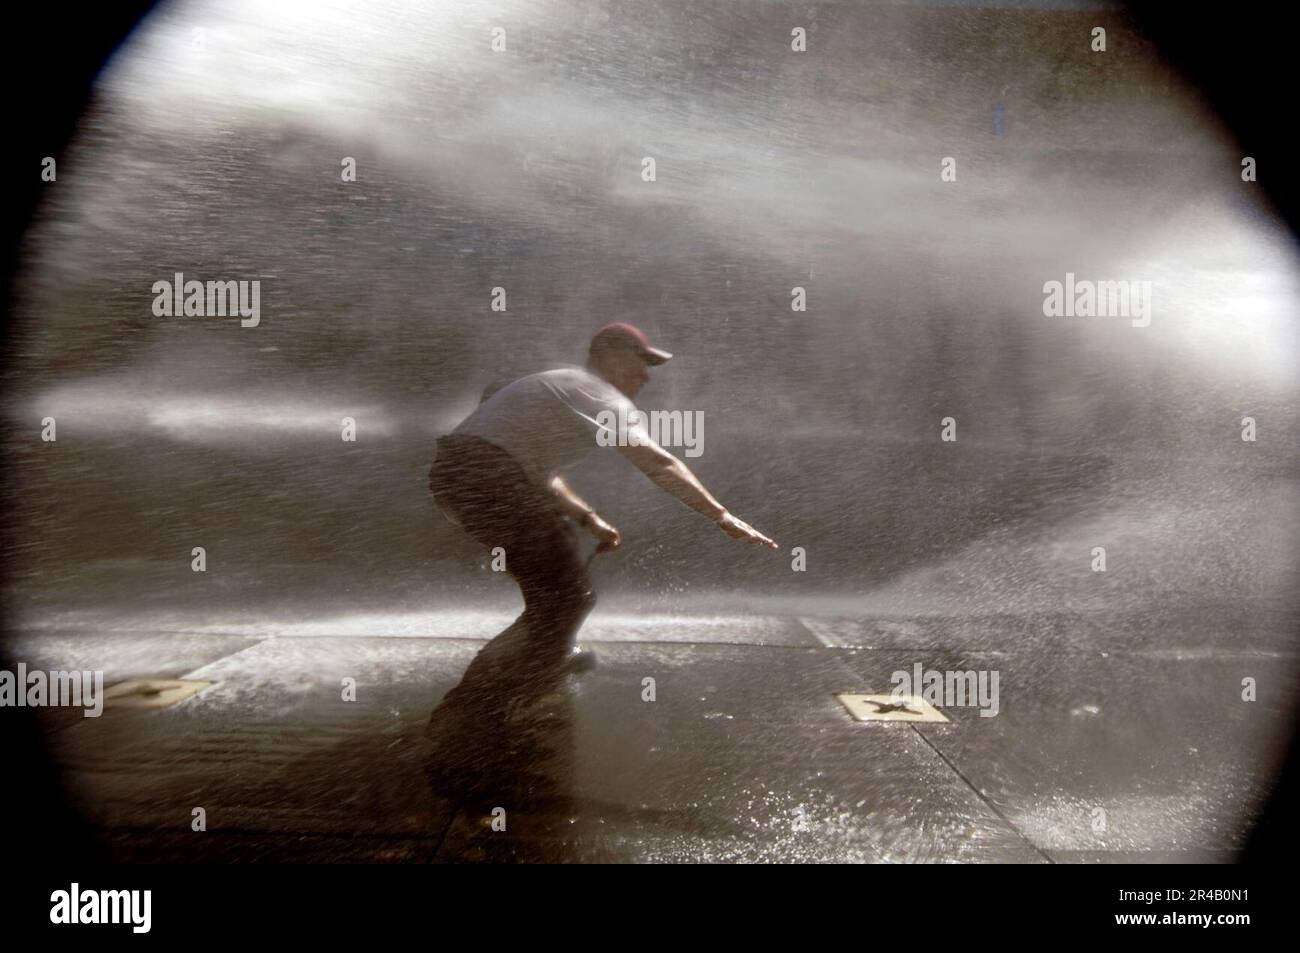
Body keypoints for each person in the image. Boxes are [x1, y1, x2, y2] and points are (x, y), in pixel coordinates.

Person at [428, 322, 776, 691]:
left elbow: (537, 475)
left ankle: (522, 674)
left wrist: (589, 519)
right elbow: (658, 463)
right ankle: (484, 705)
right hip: (488, 476)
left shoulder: (563, 386)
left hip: (456, 474)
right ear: (609, 356)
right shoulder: (597, 391)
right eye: (640, 361)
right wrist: (721, 516)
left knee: (559, 595)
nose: (645, 375)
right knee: (569, 598)